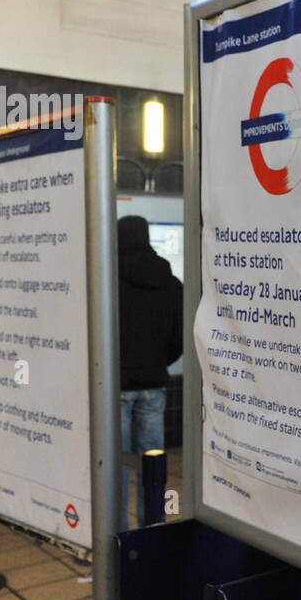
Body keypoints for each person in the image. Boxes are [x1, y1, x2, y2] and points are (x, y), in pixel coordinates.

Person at [116, 215, 183, 532]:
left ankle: (114, 533)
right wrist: (158, 361)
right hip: (154, 384)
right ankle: (152, 527)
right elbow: (180, 337)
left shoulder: (106, 280)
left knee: (115, 464)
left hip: (114, 387)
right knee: (152, 463)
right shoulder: (170, 282)